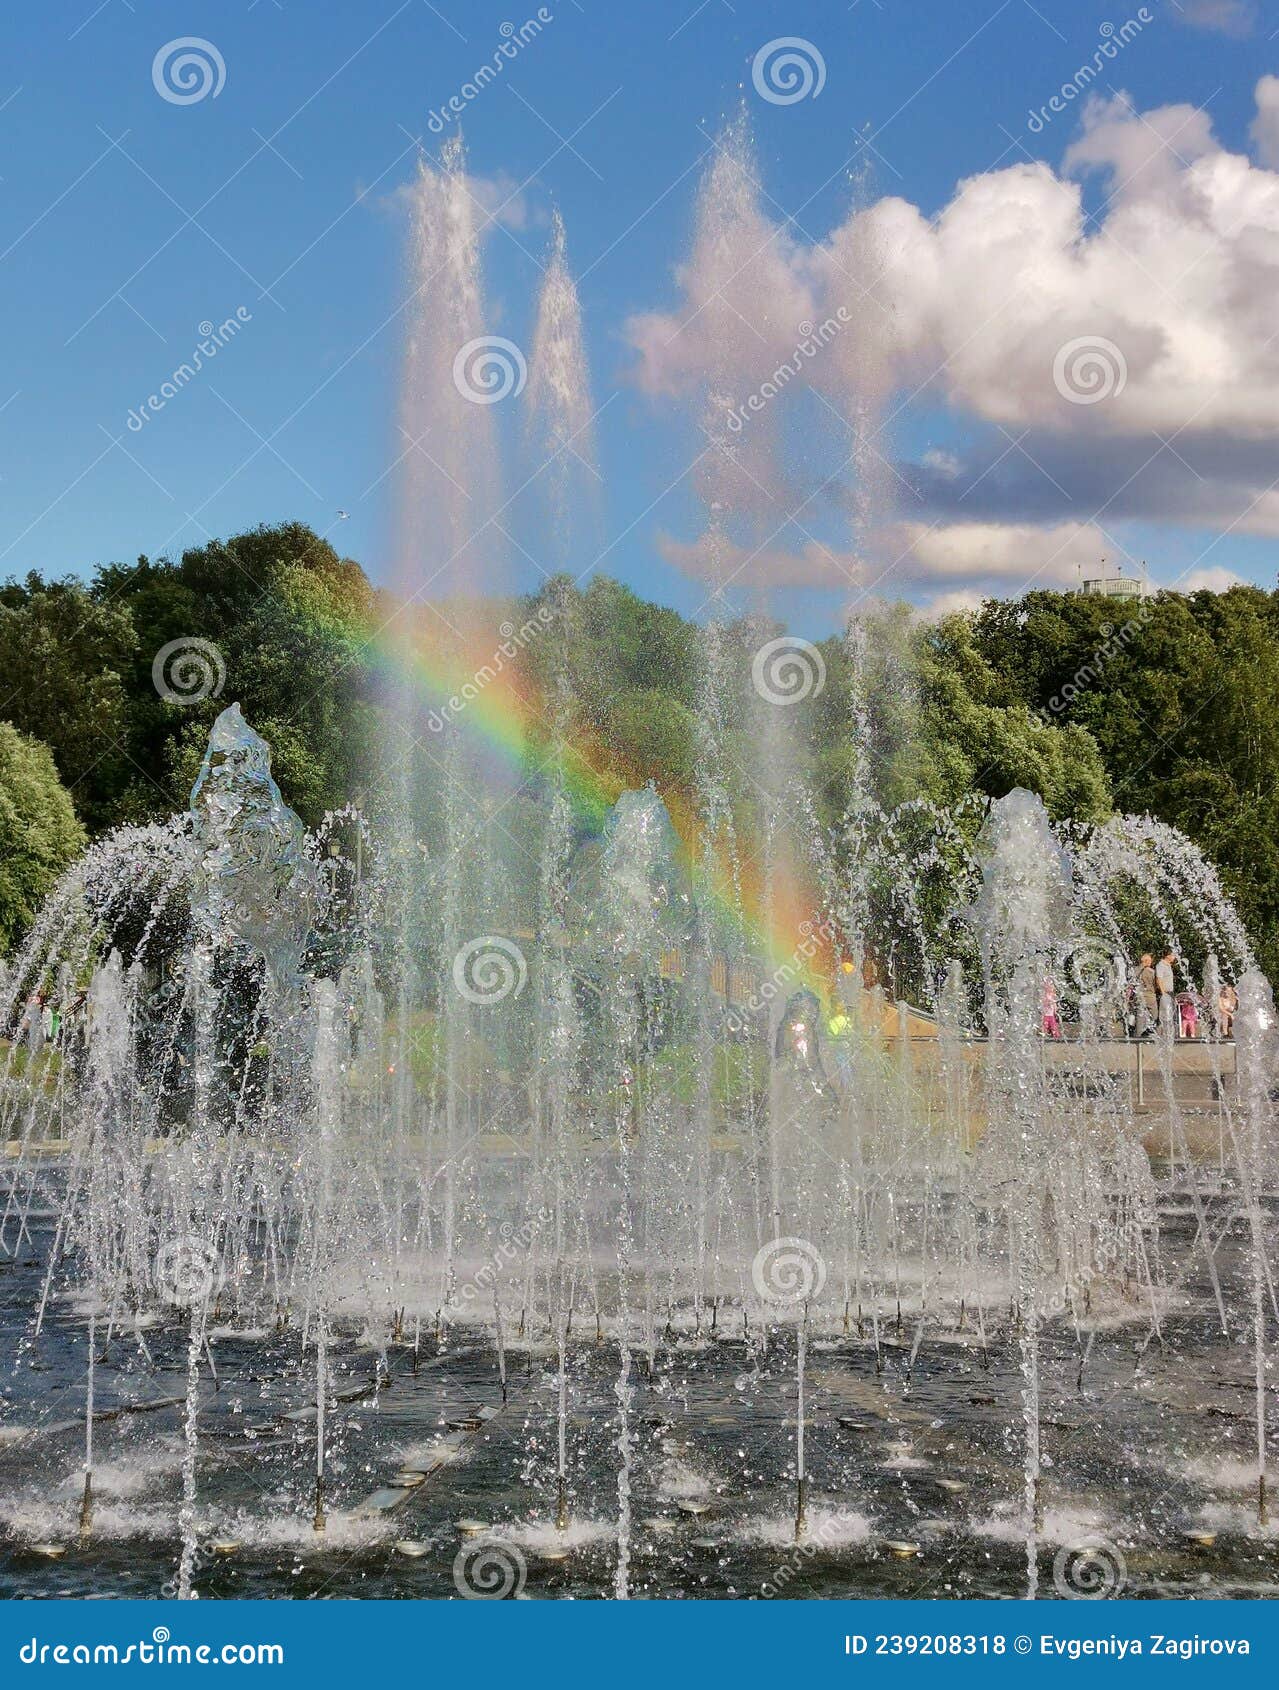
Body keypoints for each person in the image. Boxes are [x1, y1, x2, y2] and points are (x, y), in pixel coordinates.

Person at [1136, 955, 1158, 1038]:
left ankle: (1139, 1035)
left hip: (1139, 995)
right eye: (1149, 960)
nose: (1151, 962)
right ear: (1145, 961)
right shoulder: (1151, 971)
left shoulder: (1137, 970)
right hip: (1149, 995)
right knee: (1154, 1015)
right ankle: (1150, 1033)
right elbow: (1156, 983)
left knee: (1140, 1015)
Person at [1155, 950, 1176, 1031]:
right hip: (1165, 993)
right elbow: (1159, 979)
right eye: (1173, 955)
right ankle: (1161, 1034)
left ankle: (1169, 1033)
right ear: (1168, 956)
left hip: (1170, 992)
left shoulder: (1168, 965)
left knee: (1170, 1015)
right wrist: (1163, 993)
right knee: (1164, 1015)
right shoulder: (1161, 965)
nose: (1174, 957)